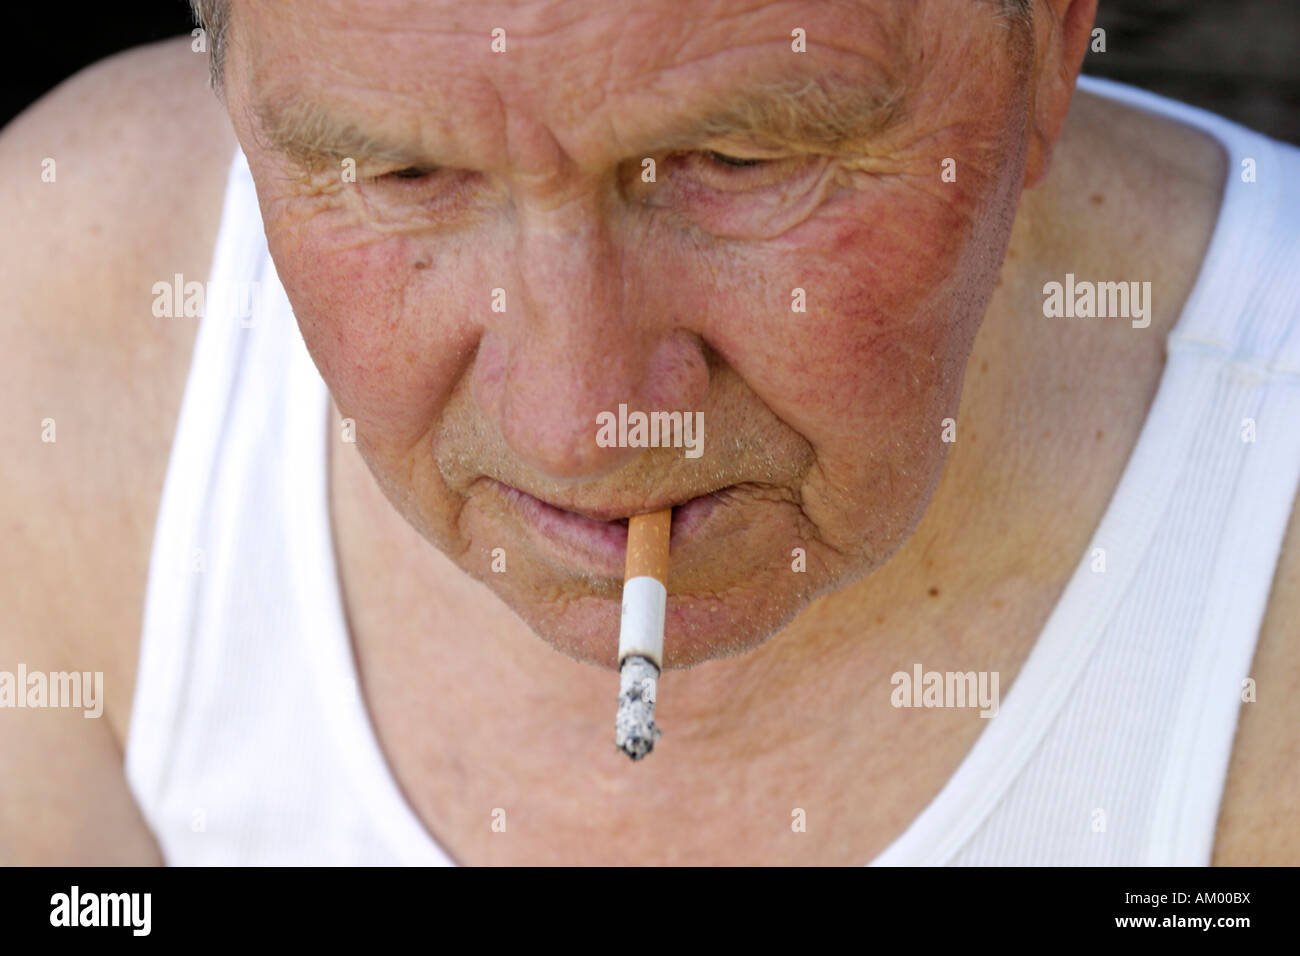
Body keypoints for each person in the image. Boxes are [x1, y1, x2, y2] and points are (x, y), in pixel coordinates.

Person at [1, 0, 1296, 865]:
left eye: (736, 162)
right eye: (403, 175)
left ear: (1049, 44)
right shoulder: (63, 327)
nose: (576, 429)